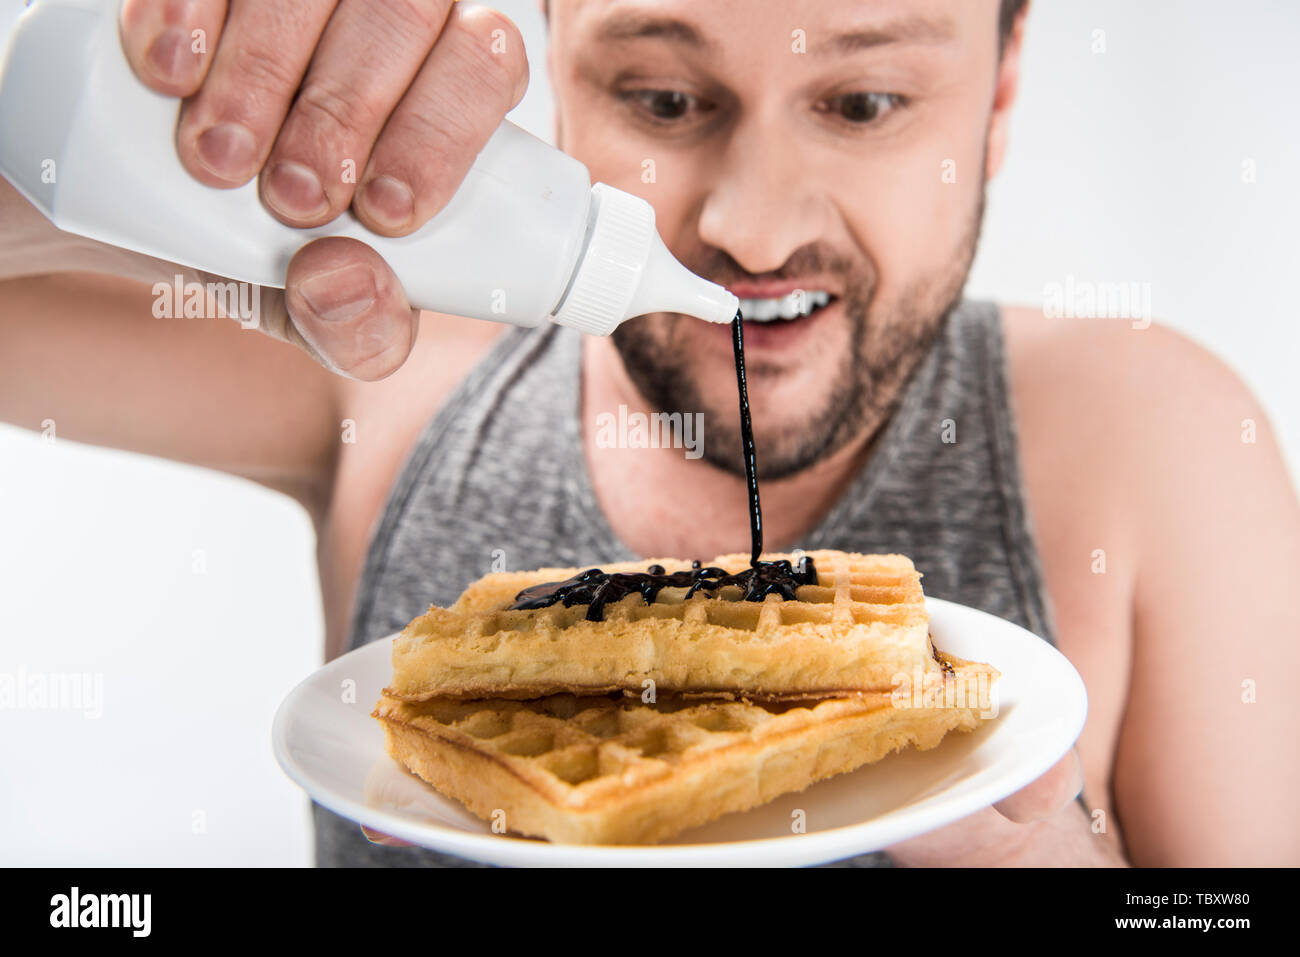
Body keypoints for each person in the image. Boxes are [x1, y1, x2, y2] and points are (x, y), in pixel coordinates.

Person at [2, 0, 1296, 867]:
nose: (751, 225)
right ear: (548, 55)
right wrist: (72, 119)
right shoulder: (373, 361)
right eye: (665, 100)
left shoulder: (1155, 445)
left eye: (863, 104)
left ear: (1003, 93)